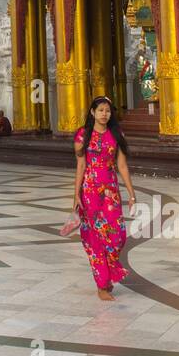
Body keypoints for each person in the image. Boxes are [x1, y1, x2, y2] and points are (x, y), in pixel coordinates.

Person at [73, 96, 136, 302]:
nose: (104, 114)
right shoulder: (82, 135)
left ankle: (109, 274)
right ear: (92, 112)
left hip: (110, 191)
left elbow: (123, 166)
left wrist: (132, 194)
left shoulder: (116, 134)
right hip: (90, 191)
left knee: (117, 236)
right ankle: (102, 284)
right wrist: (76, 194)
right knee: (96, 238)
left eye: (107, 111)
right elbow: (81, 166)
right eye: (100, 110)